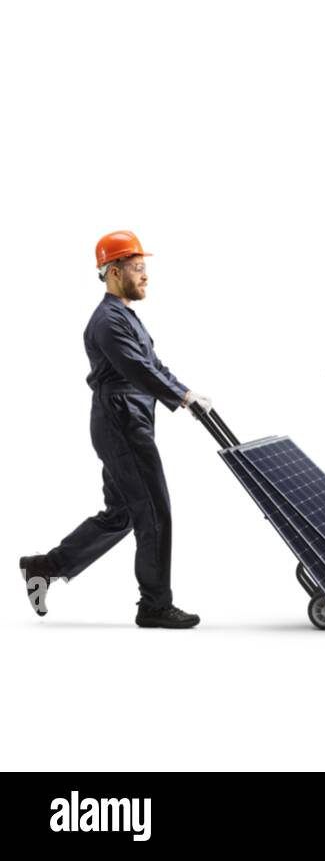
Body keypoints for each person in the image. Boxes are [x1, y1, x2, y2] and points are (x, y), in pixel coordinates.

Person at [19, 232, 209, 627]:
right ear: (114, 271)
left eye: (145, 269)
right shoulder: (107, 321)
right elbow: (137, 370)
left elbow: (154, 365)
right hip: (120, 419)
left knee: (122, 513)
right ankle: (154, 605)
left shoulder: (126, 316)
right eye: (138, 269)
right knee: (154, 511)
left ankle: (44, 567)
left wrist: (186, 393)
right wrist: (184, 398)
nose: (146, 277)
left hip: (129, 417)